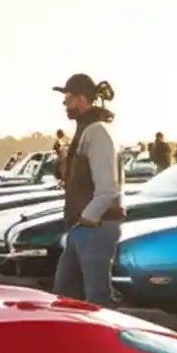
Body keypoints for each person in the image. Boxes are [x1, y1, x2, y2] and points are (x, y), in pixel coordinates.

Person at [52, 73, 124, 306]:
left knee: (96, 301)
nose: (65, 104)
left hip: (95, 228)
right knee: (66, 297)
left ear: (82, 99)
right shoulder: (87, 130)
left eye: (69, 98)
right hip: (83, 227)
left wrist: (87, 217)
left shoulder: (97, 132)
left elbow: (107, 187)